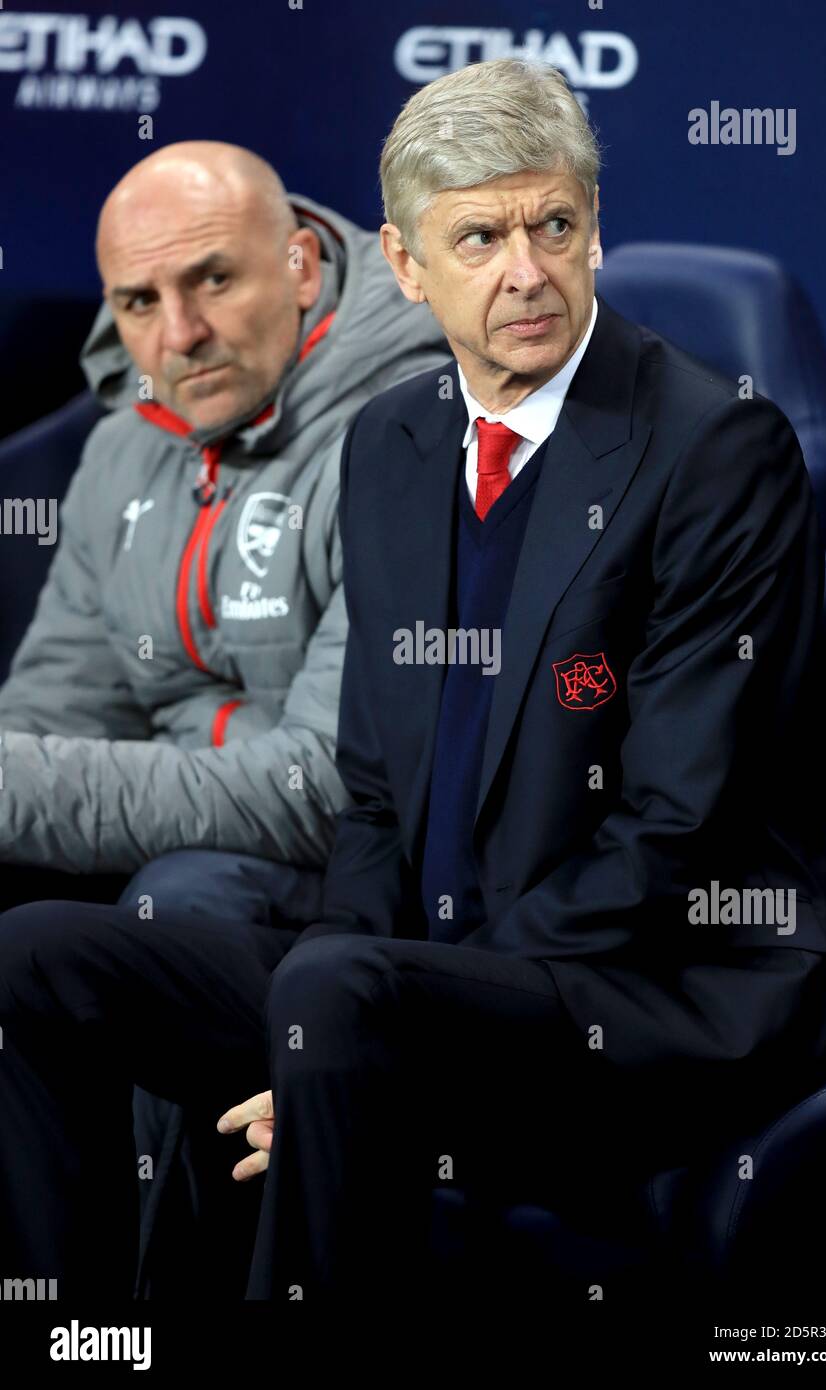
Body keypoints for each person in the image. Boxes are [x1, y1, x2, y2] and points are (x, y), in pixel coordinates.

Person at [0, 61, 826, 1305]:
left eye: (553, 226)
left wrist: (391, 1017)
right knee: (35, 959)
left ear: (593, 228)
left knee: (343, 996)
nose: (527, 272)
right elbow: (376, 795)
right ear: (406, 266)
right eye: (482, 238)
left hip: (650, 978)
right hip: (420, 965)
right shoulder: (395, 443)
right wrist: (368, 974)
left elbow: (679, 829)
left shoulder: (717, 448)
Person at [0, 139, 449, 1297]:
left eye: (213, 281)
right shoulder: (121, 448)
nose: (177, 338)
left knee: (179, 895)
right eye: (138, 302)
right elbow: (51, 715)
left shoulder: (411, 428)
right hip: (197, 845)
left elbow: (326, 787)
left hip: (360, 885)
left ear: (303, 263)